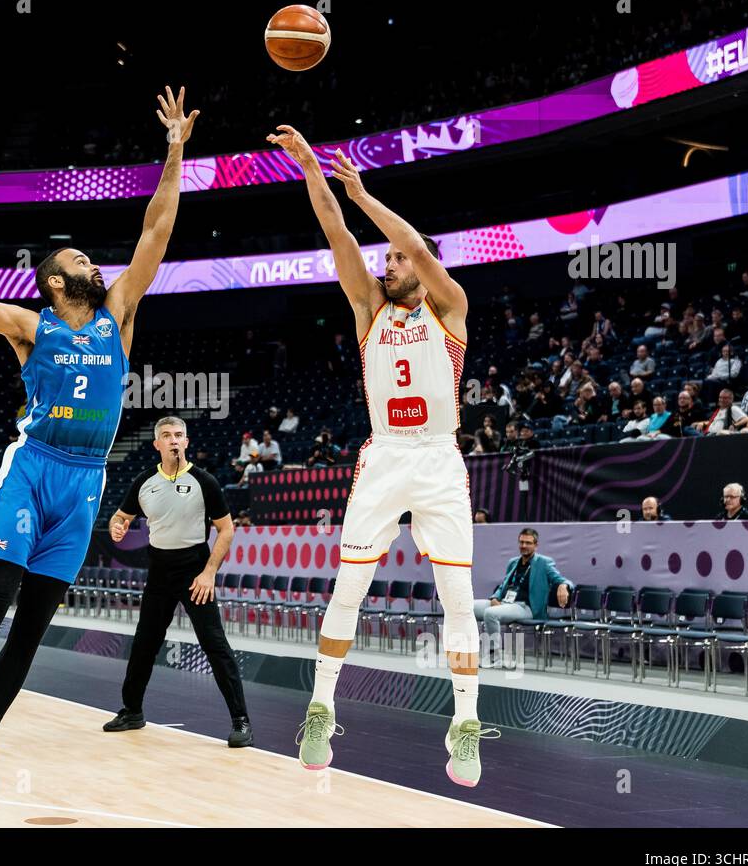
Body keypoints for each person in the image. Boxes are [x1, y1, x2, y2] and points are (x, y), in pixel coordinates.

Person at [0, 87, 199, 814]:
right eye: (78, 256)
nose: (93, 261)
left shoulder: (117, 315)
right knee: (1, 595)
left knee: (37, 621)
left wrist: (173, 150)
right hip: (35, 466)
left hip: (85, 482)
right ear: (54, 280)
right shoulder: (27, 325)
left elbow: (157, 231)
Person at [268, 125, 492, 787]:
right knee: (349, 588)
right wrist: (312, 169)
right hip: (386, 458)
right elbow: (336, 232)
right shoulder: (369, 309)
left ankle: (466, 726)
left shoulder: (450, 308)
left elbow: (417, 245)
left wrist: (366, 195)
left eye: (393, 260)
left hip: (440, 462)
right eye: (386, 260)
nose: (385, 265)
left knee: (458, 599)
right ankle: (319, 708)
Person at [104, 416, 251, 747]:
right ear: (156, 444)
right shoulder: (144, 482)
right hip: (159, 570)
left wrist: (209, 572)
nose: (173, 440)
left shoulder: (205, 481)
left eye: (179, 435)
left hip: (194, 570)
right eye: (167, 435)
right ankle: (132, 711)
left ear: (186, 442)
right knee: (144, 643)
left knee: (214, 645)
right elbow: (121, 516)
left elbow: (226, 529)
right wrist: (117, 525)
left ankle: (241, 720)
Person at [475, 528, 571, 665]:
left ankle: (494, 657)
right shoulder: (513, 562)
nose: (524, 546)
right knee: (469, 607)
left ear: (536, 545)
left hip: (526, 607)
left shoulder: (544, 563)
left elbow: (562, 579)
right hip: (505, 603)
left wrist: (563, 586)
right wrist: (495, 597)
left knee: (490, 613)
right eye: (521, 542)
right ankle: (468, 651)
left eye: (528, 543)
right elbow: (504, 585)